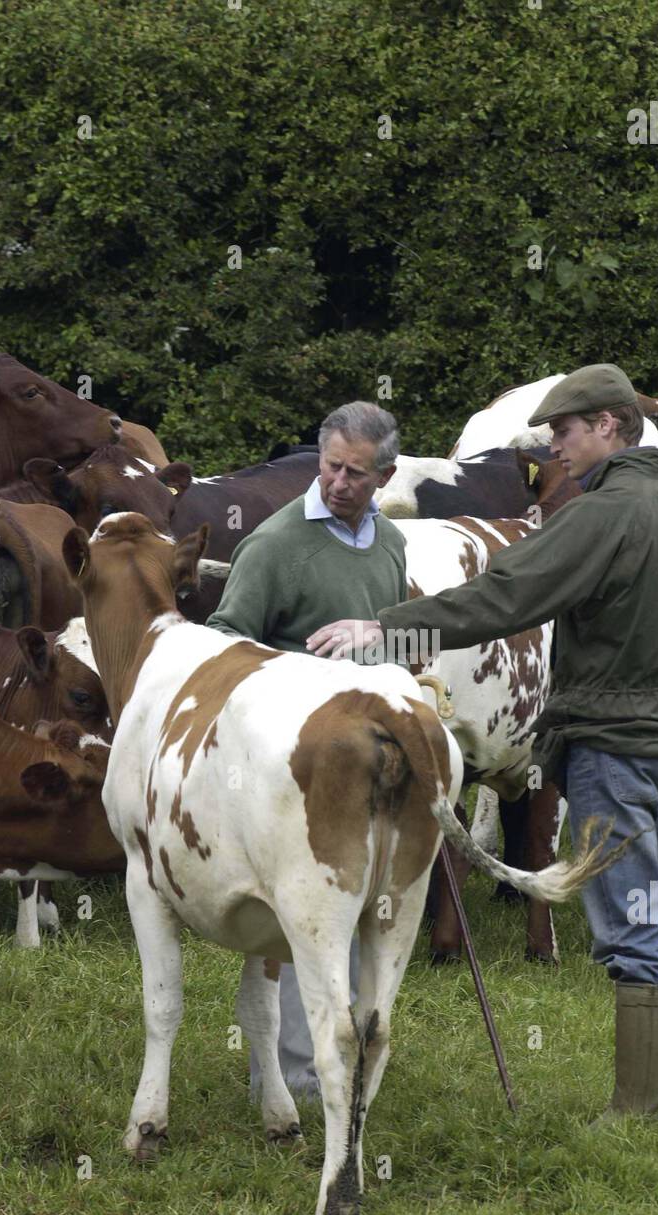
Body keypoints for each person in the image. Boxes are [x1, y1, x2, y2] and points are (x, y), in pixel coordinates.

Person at [309, 365, 658, 1123]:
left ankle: (635, 1115)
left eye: (567, 432)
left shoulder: (597, 517)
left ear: (609, 425)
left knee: (633, 928)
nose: (555, 448)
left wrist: (387, 630)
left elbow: (504, 598)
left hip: (613, 749)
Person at [207, 400, 406, 1098]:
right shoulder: (274, 545)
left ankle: (332, 1063)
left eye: (356, 472)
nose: (338, 482)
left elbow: (395, 640)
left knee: (356, 912)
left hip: (371, 764)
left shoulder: (390, 544)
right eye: (330, 466)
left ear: (385, 475)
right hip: (293, 768)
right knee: (309, 918)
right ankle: (295, 1076)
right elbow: (224, 648)